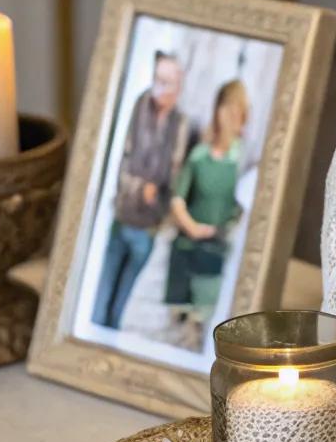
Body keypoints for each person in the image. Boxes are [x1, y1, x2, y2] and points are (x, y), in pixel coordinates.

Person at [92, 51, 190, 329]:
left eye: (168, 82)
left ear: (179, 86)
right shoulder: (139, 107)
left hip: (149, 224)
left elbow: (174, 172)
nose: (161, 88)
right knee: (101, 297)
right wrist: (139, 189)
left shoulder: (179, 123)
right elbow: (122, 159)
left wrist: (159, 203)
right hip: (122, 215)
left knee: (122, 300)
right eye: (158, 80)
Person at [165, 79, 249, 326]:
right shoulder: (199, 154)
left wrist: (222, 230)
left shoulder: (243, 159)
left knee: (205, 324)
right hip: (185, 249)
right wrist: (190, 226)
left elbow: (244, 208)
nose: (230, 117)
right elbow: (178, 198)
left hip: (216, 253)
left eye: (237, 110)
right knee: (176, 321)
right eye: (226, 109)